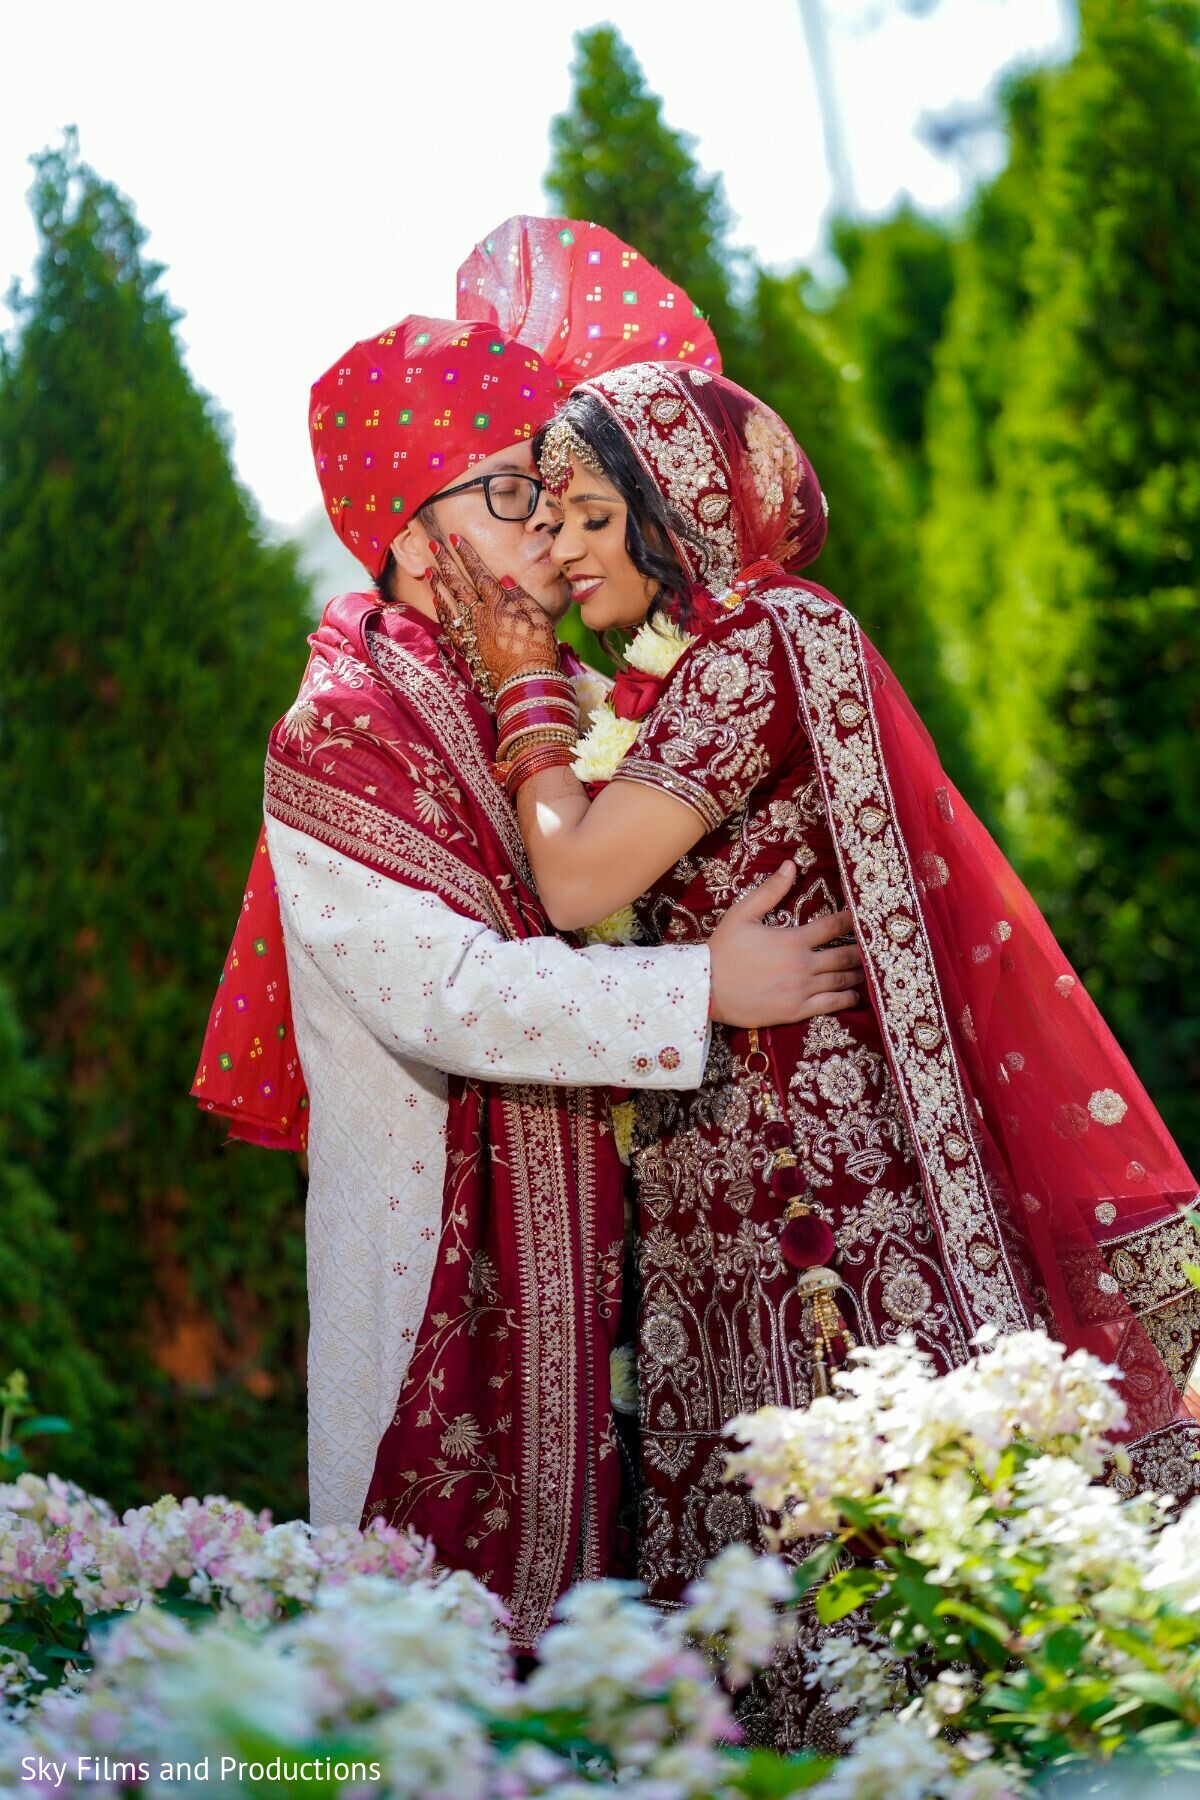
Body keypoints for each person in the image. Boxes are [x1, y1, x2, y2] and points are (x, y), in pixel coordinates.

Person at [431, 355, 1200, 1724]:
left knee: (892, 1609)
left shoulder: (759, 643)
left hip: (826, 1212)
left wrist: (522, 684)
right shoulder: (669, 685)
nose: (556, 545)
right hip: (722, 1197)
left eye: (590, 513)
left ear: (682, 513)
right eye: (545, 516)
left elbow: (580, 880)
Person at [192, 225, 865, 1652]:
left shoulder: (551, 711)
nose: (555, 538)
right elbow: (443, 991)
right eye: (511, 498)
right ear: (415, 540)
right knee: (434, 1686)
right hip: (433, 1278)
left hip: (615, 1276)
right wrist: (703, 986)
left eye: (562, 497)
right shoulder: (342, 732)